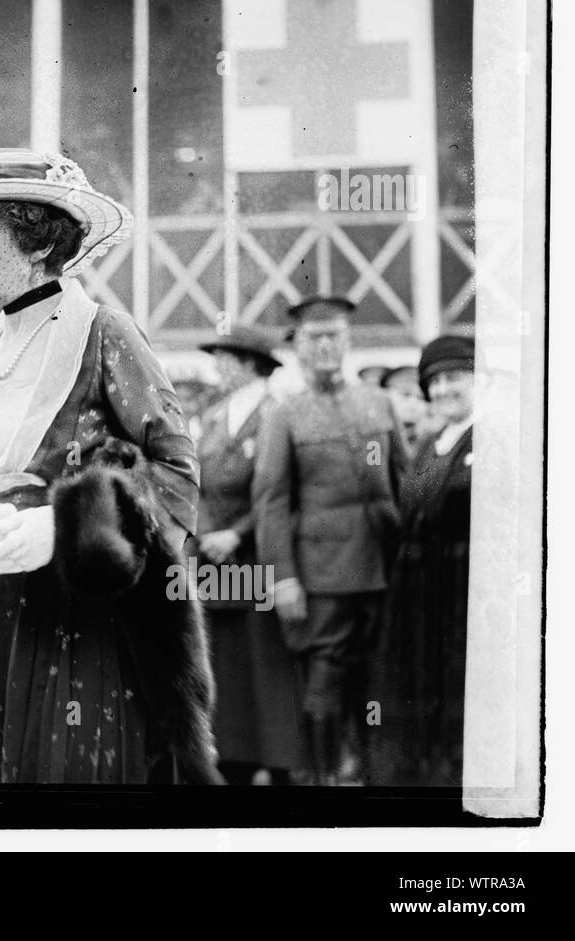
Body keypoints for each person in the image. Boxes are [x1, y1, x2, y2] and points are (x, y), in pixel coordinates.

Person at [0, 147, 217, 784]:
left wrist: (67, 525)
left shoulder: (105, 333)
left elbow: (176, 474)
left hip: (72, 605)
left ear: (37, 244)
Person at [252, 295, 406, 786]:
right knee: (325, 674)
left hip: (383, 565)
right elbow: (271, 502)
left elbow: (405, 483)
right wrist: (283, 579)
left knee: (377, 675)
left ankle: (371, 769)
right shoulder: (285, 414)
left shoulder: (378, 403)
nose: (324, 347)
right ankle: (320, 779)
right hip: (321, 573)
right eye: (313, 338)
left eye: (334, 336)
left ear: (348, 340)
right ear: (297, 347)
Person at [195, 324, 305, 785]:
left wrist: (235, 535)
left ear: (247, 363)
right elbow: (196, 481)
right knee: (220, 655)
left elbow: (279, 494)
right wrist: (205, 533)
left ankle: (278, 763)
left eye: (225, 358)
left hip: (258, 553)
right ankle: (230, 760)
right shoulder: (216, 415)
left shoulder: (277, 412)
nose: (218, 366)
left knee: (264, 660)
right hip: (211, 558)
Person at [371, 335, 475, 786]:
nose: (443, 389)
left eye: (455, 377)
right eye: (434, 381)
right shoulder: (431, 443)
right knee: (418, 682)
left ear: (478, 379)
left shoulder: (491, 436)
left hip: (464, 583)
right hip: (419, 587)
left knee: (457, 683)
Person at [380, 364, 436, 451]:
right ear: (386, 395)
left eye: (421, 398)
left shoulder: (434, 442)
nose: (413, 404)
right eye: (405, 395)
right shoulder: (375, 439)